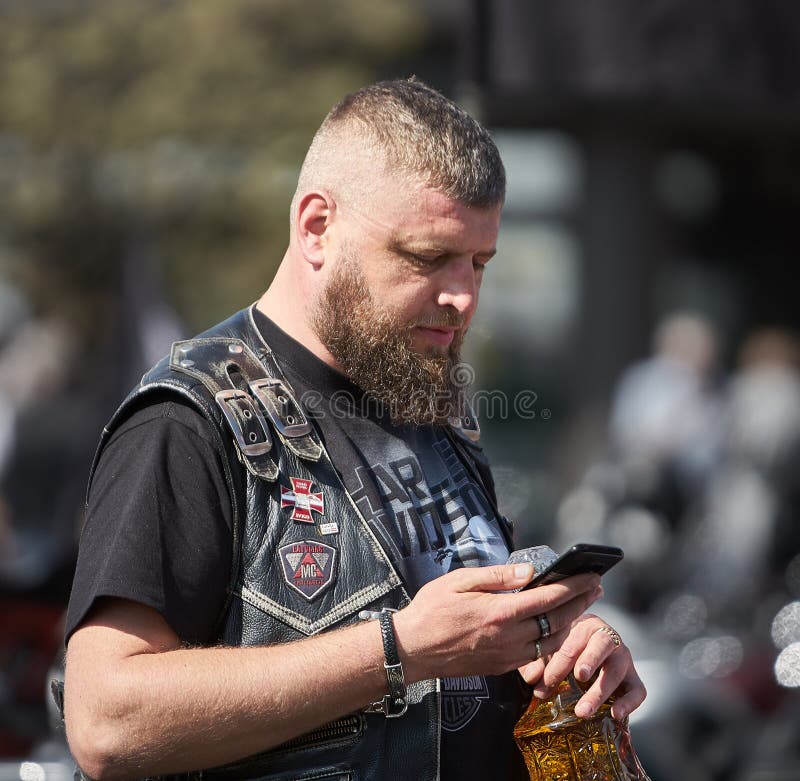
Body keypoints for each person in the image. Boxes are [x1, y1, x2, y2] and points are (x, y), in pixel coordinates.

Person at [63, 78, 646, 781]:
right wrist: (399, 648)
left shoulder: (426, 398)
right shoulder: (189, 421)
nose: (463, 296)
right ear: (316, 226)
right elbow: (105, 722)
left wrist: (562, 645)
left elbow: (469, 655)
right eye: (427, 257)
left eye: (479, 262)